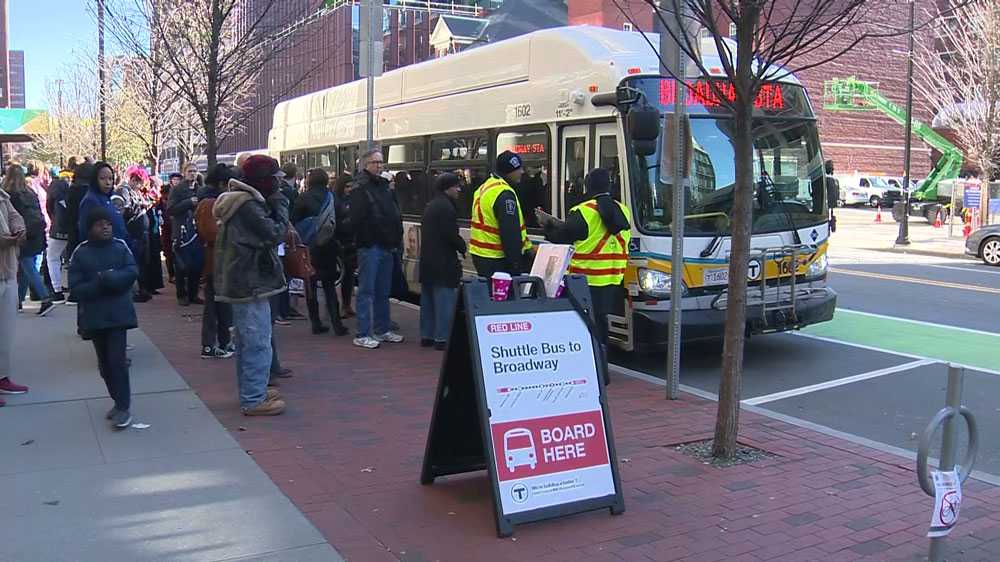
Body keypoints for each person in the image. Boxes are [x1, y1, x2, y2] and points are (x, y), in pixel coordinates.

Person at [213, 155, 287, 416]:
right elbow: (274, 233)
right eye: (275, 178)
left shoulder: (242, 201)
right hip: (249, 282)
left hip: (245, 280)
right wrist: (281, 205)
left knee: (249, 340)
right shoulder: (247, 205)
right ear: (263, 180)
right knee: (257, 340)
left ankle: (253, 389)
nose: (279, 183)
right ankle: (254, 399)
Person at [535, 168, 631, 350]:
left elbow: (561, 237)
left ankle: (588, 357)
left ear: (587, 187)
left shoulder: (582, 211)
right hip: (612, 279)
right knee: (600, 321)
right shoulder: (623, 211)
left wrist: (546, 226)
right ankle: (601, 356)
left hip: (584, 280)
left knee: (582, 322)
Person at [68, 206, 139, 429]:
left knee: (117, 361)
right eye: (100, 225)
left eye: (108, 224)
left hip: (118, 315)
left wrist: (112, 278)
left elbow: (131, 271)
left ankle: (124, 407)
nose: (105, 227)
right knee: (105, 365)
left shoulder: (120, 247)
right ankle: (117, 401)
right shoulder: (81, 252)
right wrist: (98, 283)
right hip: (95, 317)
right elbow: (76, 288)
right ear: (89, 228)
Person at [349, 149, 404, 349]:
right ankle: (363, 333)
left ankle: (382, 329)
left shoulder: (384, 186)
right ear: (365, 164)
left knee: (382, 290)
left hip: (386, 244)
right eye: (375, 162)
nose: (380, 166)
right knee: (367, 290)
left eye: (381, 162)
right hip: (370, 244)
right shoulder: (360, 188)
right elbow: (357, 218)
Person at [291, 168, 348, 336]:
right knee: (330, 287)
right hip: (328, 247)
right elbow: (340, 221)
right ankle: (337, 323)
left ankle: (316, 323)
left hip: (309, 248)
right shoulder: (332, 198)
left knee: (311, 286)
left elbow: (293, 221)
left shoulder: (302, 198)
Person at [419, 173, 466, 350]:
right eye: (456, 186)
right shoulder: (446, 207)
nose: (459, 189)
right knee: (444, 300)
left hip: (428, 260)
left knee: (428, 300)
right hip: (443, 261)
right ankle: (442, 338)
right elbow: (450, 234)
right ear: (448, 188)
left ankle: (427, 335)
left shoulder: (431, 205)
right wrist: (462, 246)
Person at [470, 150, 533, 278]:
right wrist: (516, 265)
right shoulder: (504, 194)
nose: (522, 172)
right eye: (518, 169)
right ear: (509, 171)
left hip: (481, 254)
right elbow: (509, 233)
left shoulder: (485, 187)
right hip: (497, 259)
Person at [195, 164, 235, 359]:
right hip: (217, 260)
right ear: (221, 183)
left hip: (212, 260)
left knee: (216, 303)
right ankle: (216, 343)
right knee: (217, 303)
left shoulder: (205, 201)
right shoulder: (212, 203)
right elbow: (213, 233)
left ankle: (215, 343)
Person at [3, 164, 54, 316]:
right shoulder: (30, 192)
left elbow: (9, 216)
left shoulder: (9, 195)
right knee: (26, 267)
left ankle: (45, 298)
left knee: (27, 267)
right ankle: (18, 301)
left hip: (23, 233)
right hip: (37, 231)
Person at [0, 178, 29, 406]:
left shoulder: (2, 195)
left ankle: (2, 377)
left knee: (5, 332)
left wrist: (19, 229)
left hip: (7, 271)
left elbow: (14, 215)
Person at [167, 163, 203, 306]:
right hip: (182, 231)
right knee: (182, 265)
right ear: (184, 173)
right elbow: (171, 209)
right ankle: (181, 294)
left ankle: (194, 294)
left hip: (196, 232)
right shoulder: (177, 190)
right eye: (189, 171)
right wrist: (188, 203)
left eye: (194, 171)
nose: (192, 174)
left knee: (196, 265)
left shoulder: (200, 189)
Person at [45, 163, 74, 302]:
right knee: (73, 259)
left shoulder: (55, 186)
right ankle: (74, 291)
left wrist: (54, 218)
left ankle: (57, 291)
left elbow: (49, 206)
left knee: (52, 258)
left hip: (58, 228)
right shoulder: (76, 187)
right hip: (73, 227)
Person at [334, 174, 356, 318]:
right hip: (340, 242)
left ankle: (346, 305)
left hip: (351, 242)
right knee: (341, 275)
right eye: (347, 186)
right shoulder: (336, 201)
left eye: (351, 187)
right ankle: (341, 306)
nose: (349, 189)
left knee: (349, 275)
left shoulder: (352, 200)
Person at [160, 173, 181, 284]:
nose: (176, 181)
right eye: (174, 179)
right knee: (168, 252)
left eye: (178, 179)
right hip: (167, 227)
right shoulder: (165, 193)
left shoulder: (182, 192)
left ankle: (180, 274)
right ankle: (172, 274)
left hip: (178, 226)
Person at [825, 159, 839, 233]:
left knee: (826, 215)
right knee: (831, 213)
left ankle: (828, 225)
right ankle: (831, 225)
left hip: (826, 202)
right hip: (832, 202)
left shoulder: (826, 179)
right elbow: (837, 192)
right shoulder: (834, 179)